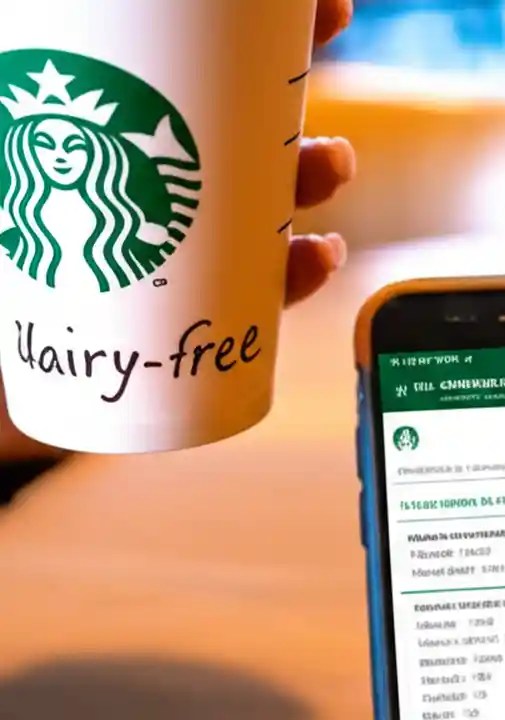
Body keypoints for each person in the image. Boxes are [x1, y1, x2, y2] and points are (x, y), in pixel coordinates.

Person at [0, 0, 358, 503]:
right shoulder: (26, 219)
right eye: (44, 145)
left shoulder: (130, 228)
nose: (59, 158)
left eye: (74, 145)